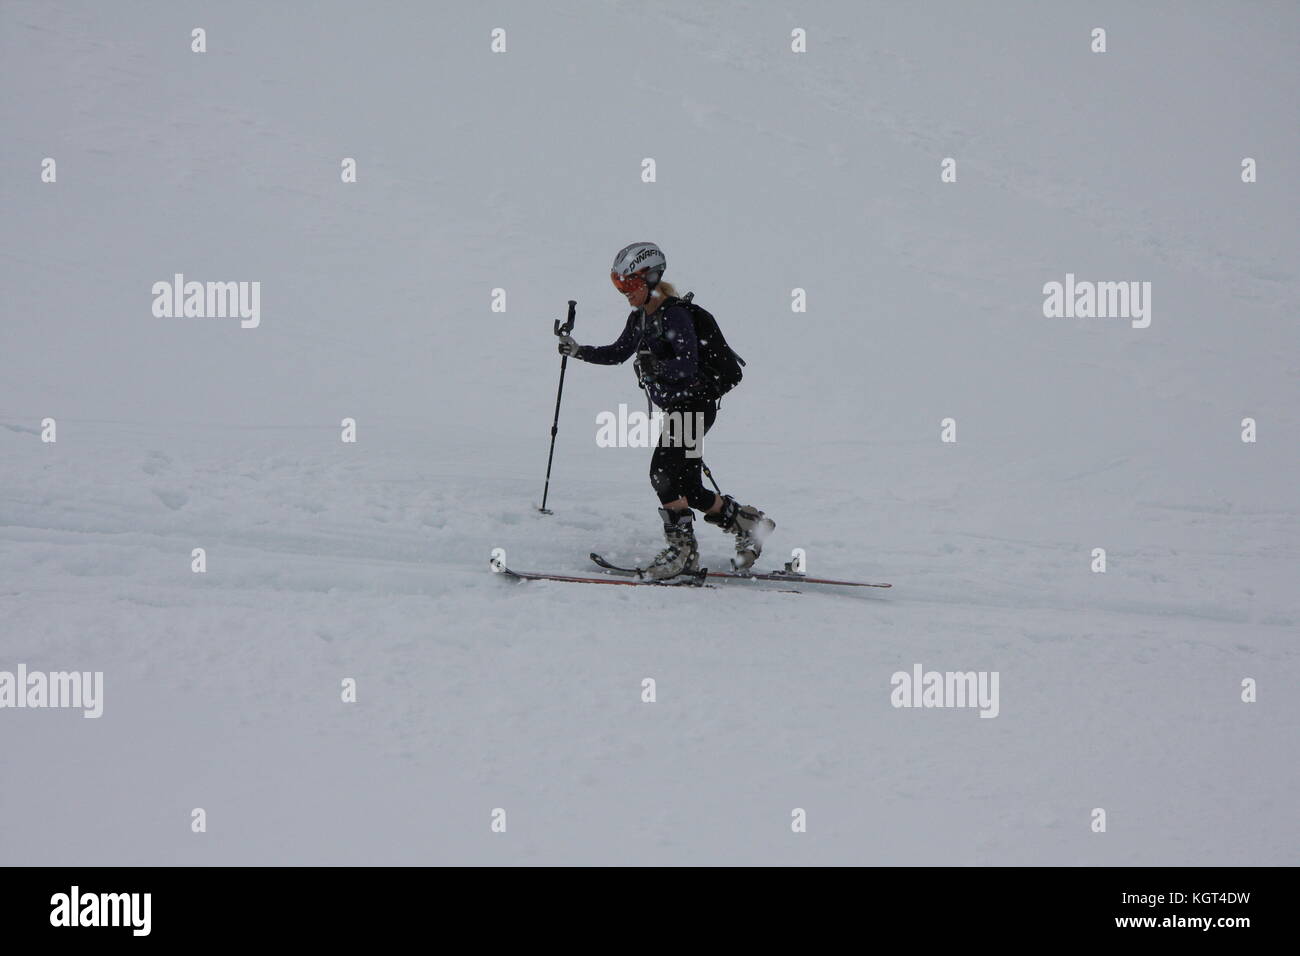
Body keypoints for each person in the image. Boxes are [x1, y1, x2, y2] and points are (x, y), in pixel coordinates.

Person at [557, 242, 774, 580]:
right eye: (619, 285)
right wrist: (578, 351)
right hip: (681, 407)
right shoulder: (641, 318)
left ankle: (682, 554)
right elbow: (618, 353)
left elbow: (687, 366)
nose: (624, 293)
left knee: (663, 473)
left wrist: (656, 367)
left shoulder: (675, 314)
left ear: (652, 278)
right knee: (688, 486)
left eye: (628, 284)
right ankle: (748, 523)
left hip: (694, 406)